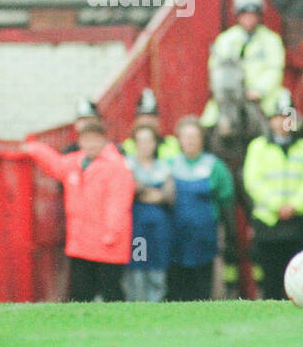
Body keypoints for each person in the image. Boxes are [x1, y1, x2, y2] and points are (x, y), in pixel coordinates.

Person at [23, 118, 134, 302]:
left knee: (111, 291)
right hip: (81, 241)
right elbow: (54, 164)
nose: (90, 144)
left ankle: (116, 327)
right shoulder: (75, 162)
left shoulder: (116, 167)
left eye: (95, 139)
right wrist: (34, 148)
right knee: (82, 292)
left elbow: (118, 204)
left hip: (107, 242)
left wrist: (111, 233)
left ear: (103, 141)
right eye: (86, 139)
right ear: (80, 142)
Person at [243, 90, 303, 300]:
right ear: (270, 121)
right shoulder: (258, 147)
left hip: (297, 221)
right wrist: (277, 204)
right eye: (279, 117)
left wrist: (294, 205)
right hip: (268, 221)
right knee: (271, 276)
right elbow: (253, 181)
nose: (283, 122)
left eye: (288, 117)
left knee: (298, 274)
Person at [167, 116, 235, 301]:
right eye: (185, 136)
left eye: (194, 136)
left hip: (205, 236)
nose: (189, 141)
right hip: (175, 236)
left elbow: (226, 199)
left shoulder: (215, 166)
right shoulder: (169, 165)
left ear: (202, 139)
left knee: (203, 284)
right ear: (179, 140)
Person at [200, 0, 286, 124]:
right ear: (237, 15)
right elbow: (216, 69)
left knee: (281, 120)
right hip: (230, 95)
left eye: (253, 13)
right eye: (244, 13)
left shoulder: (272, 40)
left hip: (261, 96)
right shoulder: (225, 39)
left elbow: (275, 70)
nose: (249, 18)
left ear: (259, 15)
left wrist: (259, 90)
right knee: (208, 124)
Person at [122, 124, 174, 302]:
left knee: (157, 269)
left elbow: (169, 195)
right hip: (138, 230)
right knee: (138, 266)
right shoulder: (128, 164)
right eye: (141, 141)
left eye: (149, 140)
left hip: (159, 230)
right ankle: (137, 306)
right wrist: (152, 193)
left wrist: (147, 193)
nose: (145, 145)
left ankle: (155, 307)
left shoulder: (163, 167)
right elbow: (132, 187)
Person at [120, 89, 180, 160]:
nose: (148, 120)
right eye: (144, 116)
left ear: (158, 120)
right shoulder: (127, 147)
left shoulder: (172, 144)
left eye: (151, 116)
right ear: (137, 120)